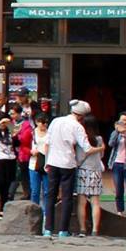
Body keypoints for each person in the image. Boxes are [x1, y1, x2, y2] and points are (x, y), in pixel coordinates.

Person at [43, 99, 91, 238]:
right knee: (67, 197)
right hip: (68, 163)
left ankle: (48, 228)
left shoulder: (56, 121)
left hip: (52, 161)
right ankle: (63, 229)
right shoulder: (77, 126)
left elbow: (47, 143)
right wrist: (99, 148)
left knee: (50, 195)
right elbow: (86, 147)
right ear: (81, 116)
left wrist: (46, 161)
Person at [76, 114, 106, 238]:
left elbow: (79, 158)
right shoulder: (99, 139)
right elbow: (102, 155)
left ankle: (83, 229)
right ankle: (95, 230)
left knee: (81, 202)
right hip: (96, 171)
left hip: (83, 170)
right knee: (95, 202)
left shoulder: (81, 139)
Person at [106, 113, 126, 215]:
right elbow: (111, 143)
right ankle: (120, 211)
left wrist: (125, 134)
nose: (124, 122)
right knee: (119, 190)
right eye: (122, 120)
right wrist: (117, 132)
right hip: (117, 163)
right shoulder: (115, 132)